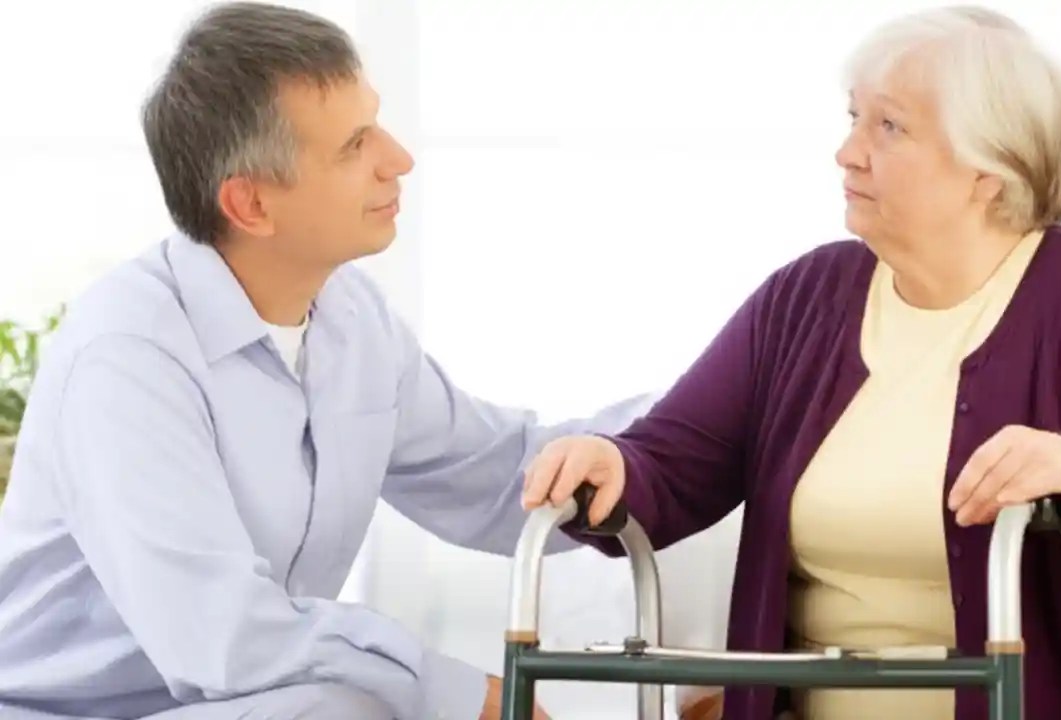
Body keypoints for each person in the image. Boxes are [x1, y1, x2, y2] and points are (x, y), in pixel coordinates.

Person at [521, 6, 1061, 720]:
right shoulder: (804, 299)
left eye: (888, 126)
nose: (848, 152)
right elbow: (673, 466)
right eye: (853, 118)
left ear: (987, 169)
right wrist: (612, 466)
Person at [0, 3, 648, 719]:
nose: (398, 159)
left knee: (349, 704)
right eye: (354, 144)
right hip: (66, 711)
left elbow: (499, 477)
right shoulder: (126, 360)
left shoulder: (350, 320)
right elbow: (228, 639)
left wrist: (713, 419)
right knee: (348, 711)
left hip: (242, 700)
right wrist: (467, 698)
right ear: (250, 204)